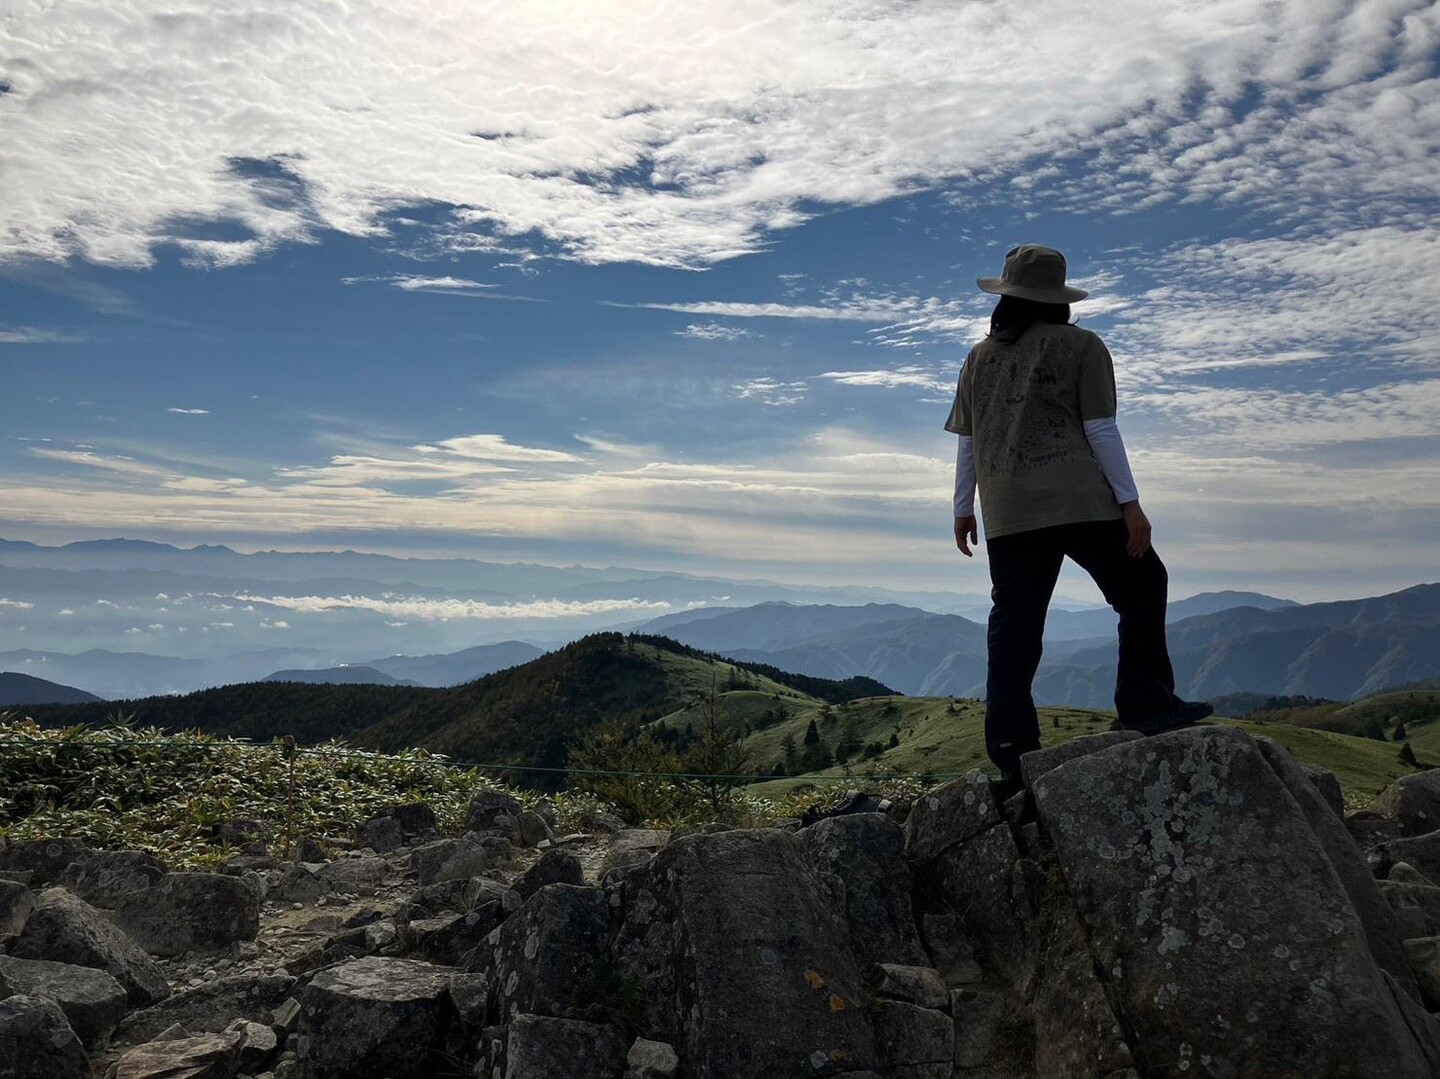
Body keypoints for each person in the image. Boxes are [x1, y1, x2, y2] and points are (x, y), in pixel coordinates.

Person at [945, 244, 1212, 782]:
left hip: (1009, 510)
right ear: (1057, 298)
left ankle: (1011, 748)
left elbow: (970, 441)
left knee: (1015, 627)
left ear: (1007, 297)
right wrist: (1131, 504)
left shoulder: (979, 357)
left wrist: (962, 507)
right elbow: (1100, 429)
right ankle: (1146, 707)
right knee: (1141, 586)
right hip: (1081, 499)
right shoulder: (1083, 346)